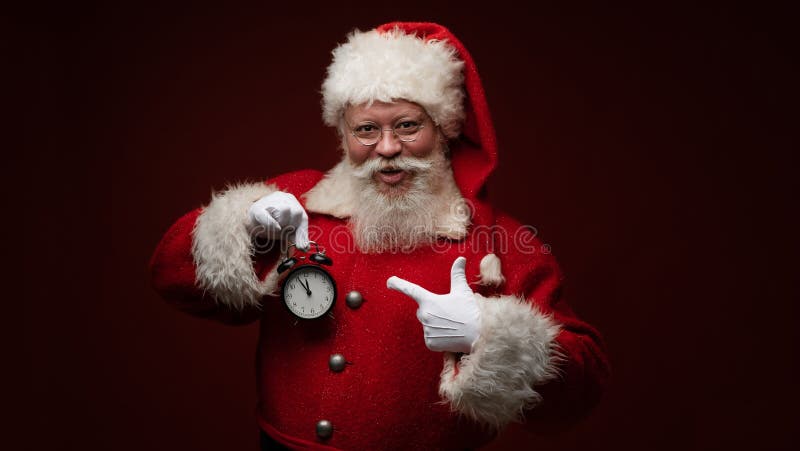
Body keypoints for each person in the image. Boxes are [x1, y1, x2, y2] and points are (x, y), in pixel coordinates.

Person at [150, 22, 610, 450]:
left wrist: (491, 336)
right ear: (344, 136)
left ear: (444, 130)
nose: (387, 148)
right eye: (366, 129)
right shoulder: (297, 200)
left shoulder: (500, 241)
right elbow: (171, 279)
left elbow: (585, 387)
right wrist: (245, 229)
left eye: (407, 125)